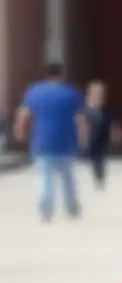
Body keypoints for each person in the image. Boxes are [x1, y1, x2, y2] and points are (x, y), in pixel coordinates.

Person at [13, 63, 86, 222]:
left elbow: (24, 115)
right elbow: (80, 119)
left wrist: (20, 132)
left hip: (42, 141)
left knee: (45, 177)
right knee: (67, 178)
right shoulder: (71, 93)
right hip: (66, 141)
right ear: (62, 75)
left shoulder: (34, 92)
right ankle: (72, 208)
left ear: (46, 75)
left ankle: (45, 210)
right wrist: (83, 138)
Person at [82, 80, 122, 190]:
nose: (99, 96)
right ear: (89, 93)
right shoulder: (81, 110)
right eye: (95, 93)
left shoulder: (108, 111)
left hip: (99, 152)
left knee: (99, 179)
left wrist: (116, 136)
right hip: (81, 152)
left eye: (101, 93)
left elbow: (114, 127)